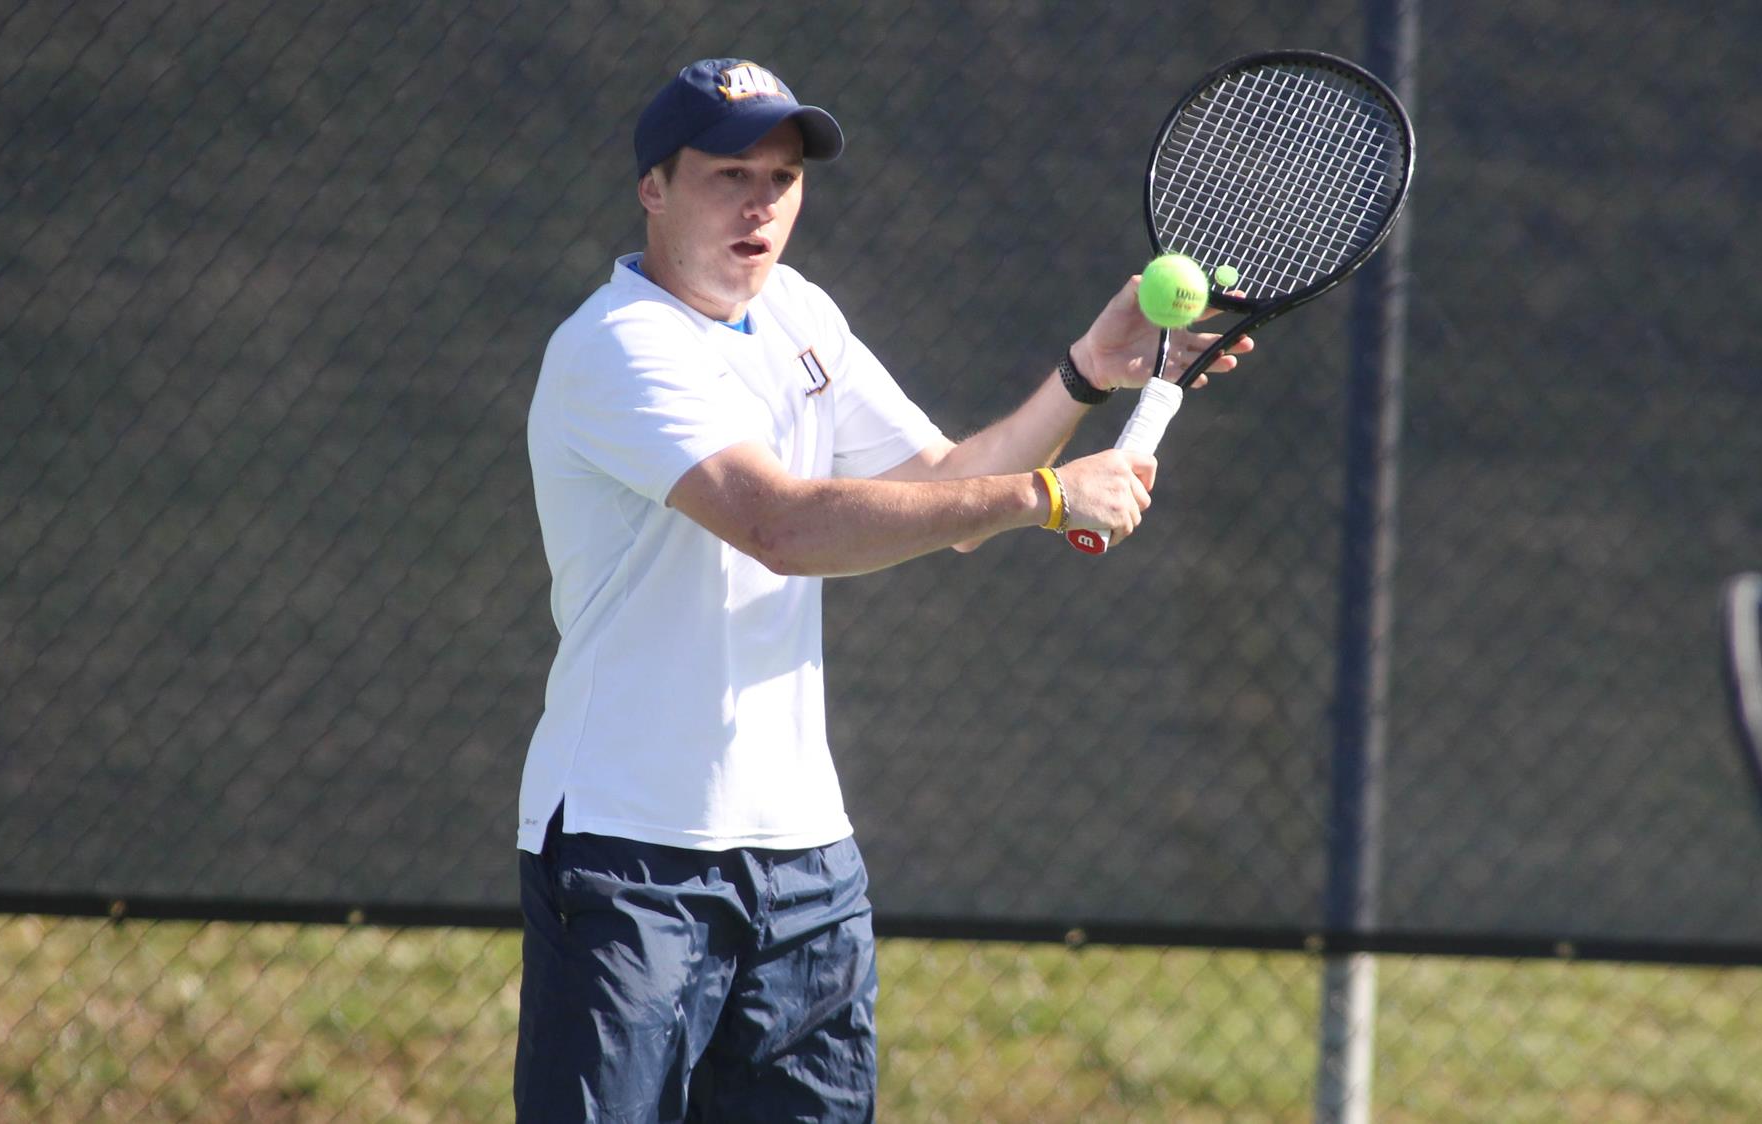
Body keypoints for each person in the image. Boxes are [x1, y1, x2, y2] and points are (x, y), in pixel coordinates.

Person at [514, 57, 1248, 1122]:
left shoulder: (800, 314)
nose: (762, 203)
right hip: (633, 861)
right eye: (729, 175)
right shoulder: (617, 349)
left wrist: (1090, 368)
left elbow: (942, 488)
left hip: (805, 864)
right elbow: (782, 524)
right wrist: (1045, 494)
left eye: (781, 177)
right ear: (654, 190)